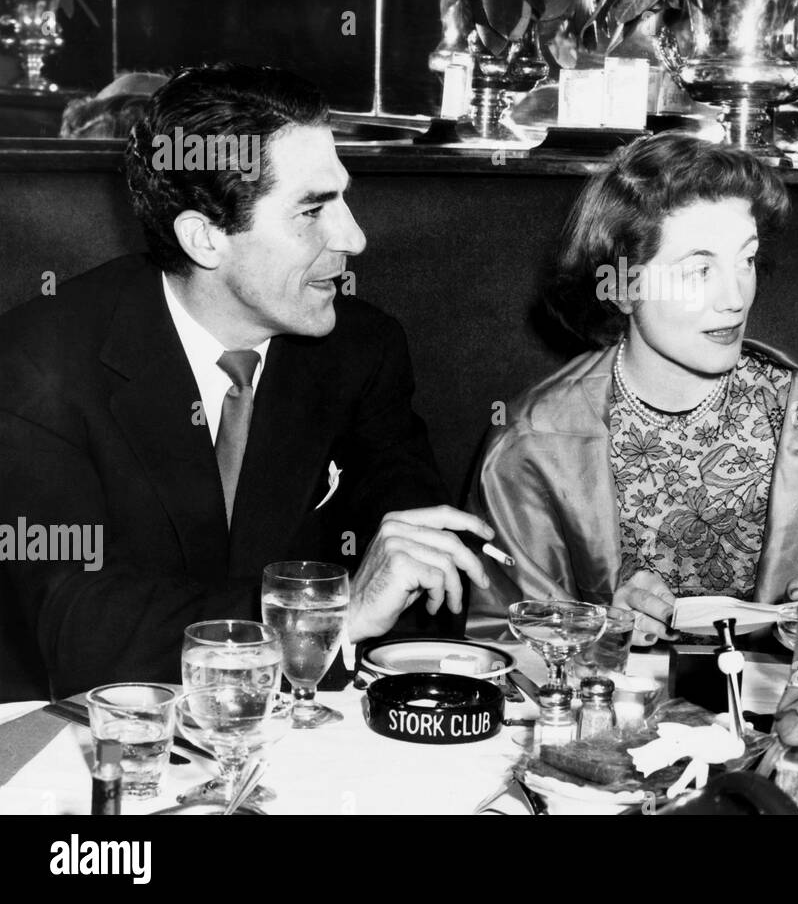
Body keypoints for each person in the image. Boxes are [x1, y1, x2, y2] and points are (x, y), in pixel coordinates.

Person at [0, 64, 492, 699]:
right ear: (206, 239)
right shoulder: (38, 362)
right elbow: (76, 626)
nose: (355, 237)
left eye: (343, 198)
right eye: (313, 210)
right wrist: (320, 618)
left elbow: (423, 584)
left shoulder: (361, 350)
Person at [465, 135, 798, 644]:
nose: (734, 298)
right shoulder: (534, 442)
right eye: (699, 269)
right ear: (622, 288)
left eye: (746, 260)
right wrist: (601, 631)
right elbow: (505, 642)